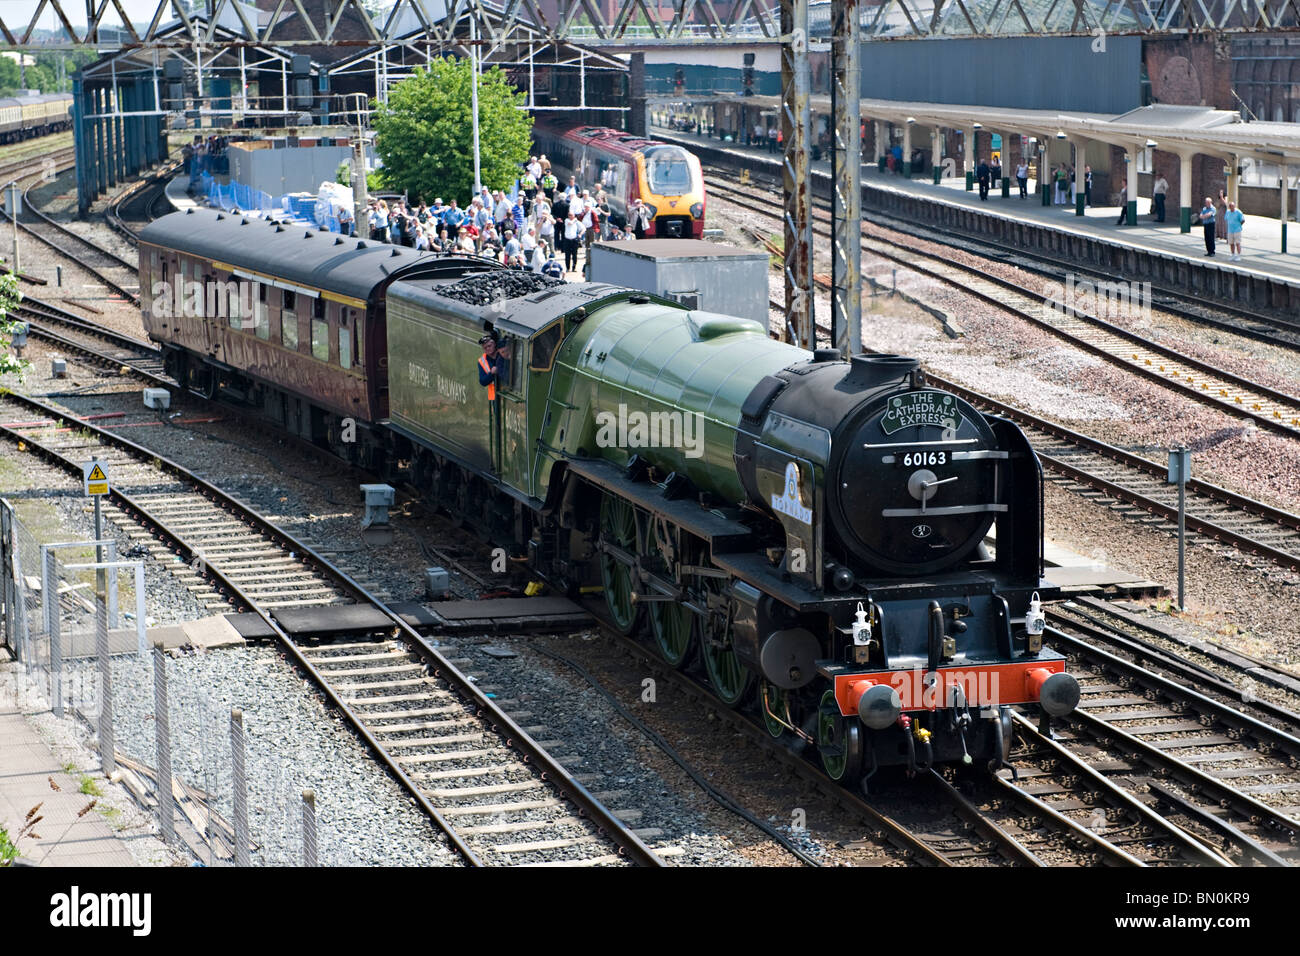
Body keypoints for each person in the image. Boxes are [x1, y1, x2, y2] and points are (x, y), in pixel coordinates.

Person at [478, 335, 507, 401]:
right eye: (485, 348)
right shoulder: (482, 361)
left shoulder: (503, 354)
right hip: (494, 398)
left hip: (506, 394)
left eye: (489, 346)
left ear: (494, 344)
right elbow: (482, 381)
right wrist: (491, 373)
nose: (487, 348)